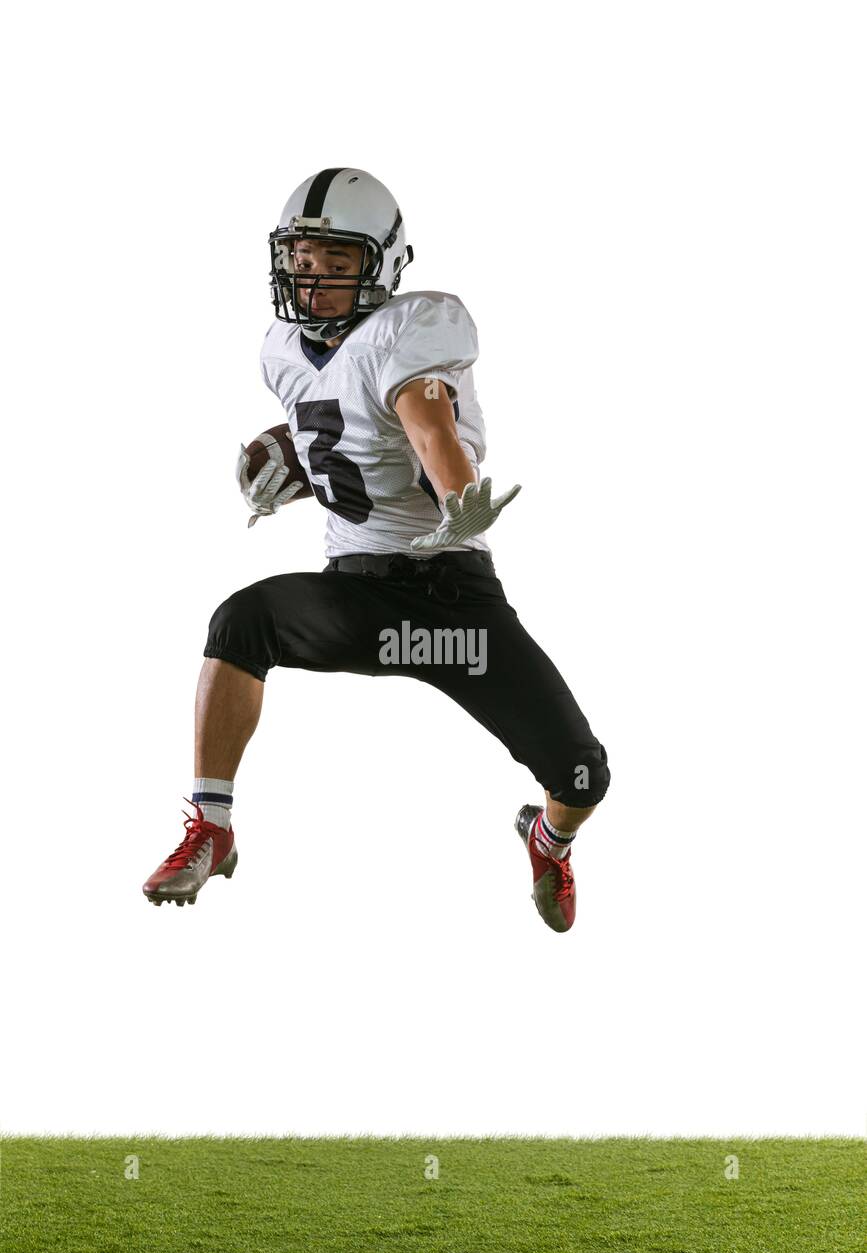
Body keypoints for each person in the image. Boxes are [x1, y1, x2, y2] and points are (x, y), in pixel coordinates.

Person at [142, 167, 610, 932]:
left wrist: (458, 496)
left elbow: (425, 422)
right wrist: (294, 467)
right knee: (241, 618)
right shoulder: (281, 351)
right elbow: (353, 443)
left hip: (451, 612)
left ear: (383, 263)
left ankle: (547, 839)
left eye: (337, 261)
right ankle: (212, 826)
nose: (314, 279)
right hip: (358, 599)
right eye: (302, 260)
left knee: (582, 775)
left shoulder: (411, 329)